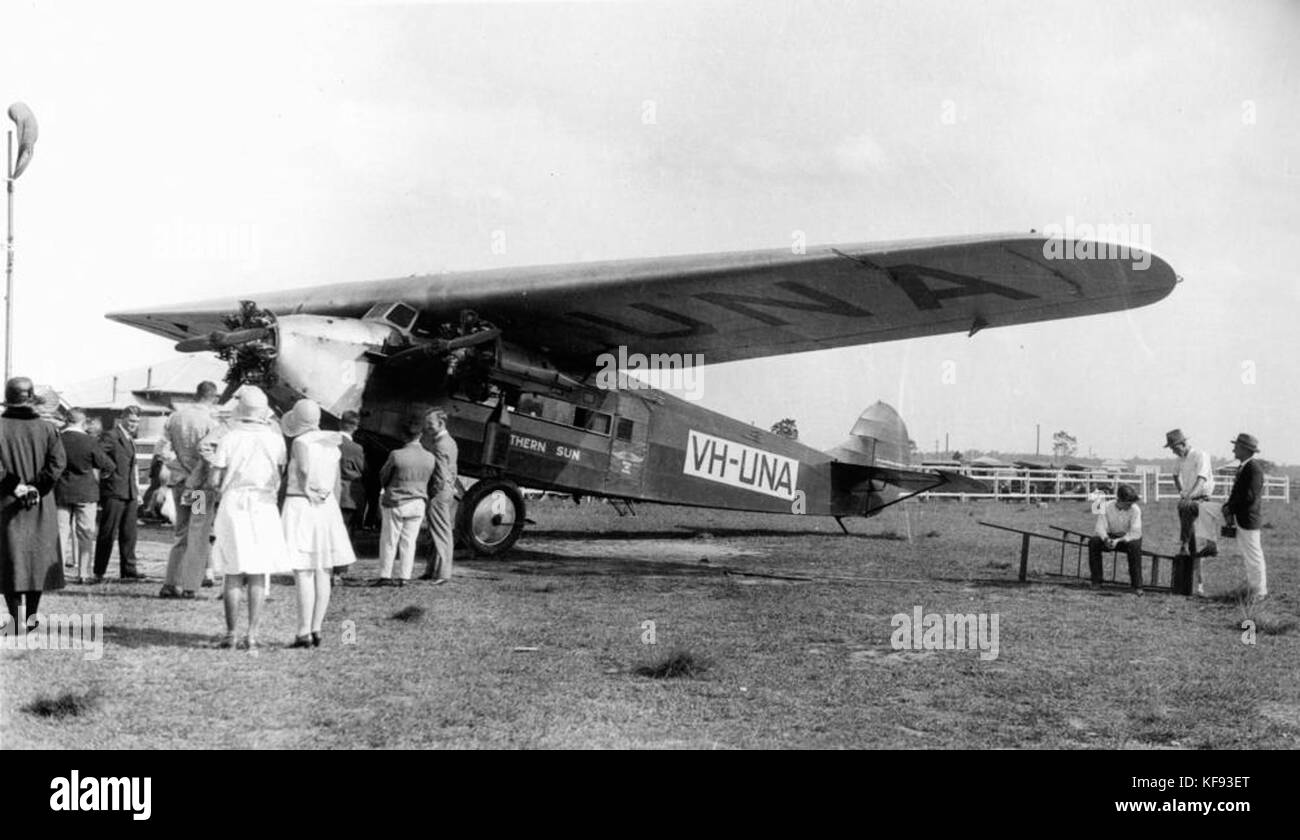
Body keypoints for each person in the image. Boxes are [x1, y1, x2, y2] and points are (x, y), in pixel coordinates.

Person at [207, 387, 292, 653]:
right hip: (265, 505)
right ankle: (252, 634)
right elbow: (281, 474)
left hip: (234, 502)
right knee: (258, 571)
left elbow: (213, 480)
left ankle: (231, 634)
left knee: (233, 571)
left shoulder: (230, 438)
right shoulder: (276, 439)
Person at [280, 399, 355, 648]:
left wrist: (308, 490)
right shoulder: (331, 443)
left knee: (303, 570)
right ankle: (316, 628)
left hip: (302, 504)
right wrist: (323, 495)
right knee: (323, 570)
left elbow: (302, 469)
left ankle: (303, 631)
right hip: (326, 506)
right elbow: (333, 480)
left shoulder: (302, 442)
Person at [0, 377, 67, 632]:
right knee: (37, 559)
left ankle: (16, 620)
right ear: (31, 400)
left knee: (10, 560)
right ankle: (31, 618)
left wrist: (14, 486)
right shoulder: (49, 429)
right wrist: (35, 488)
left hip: (6, 502)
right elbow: (57, 464)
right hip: (40, 502)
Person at [158, 382, 220, 599]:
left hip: (179, 481)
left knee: (181, 532)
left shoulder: (175, 417)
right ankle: (190, 585)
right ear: (213, 397)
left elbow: (160, 450)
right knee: (199, 531)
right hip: (200, 486)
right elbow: (211, 456)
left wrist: (177, 465)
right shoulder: (212, 421)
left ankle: (170, 581)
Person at [375, 411, 436, 587]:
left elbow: (383, 476)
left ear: (403, 435)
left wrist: (389, 488)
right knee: (409, 542)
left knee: (389, 540)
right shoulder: (430, 458)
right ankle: (404, 577)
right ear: (421, 435)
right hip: (418, 503)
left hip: (396, 501)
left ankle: (385, 575)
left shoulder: (396, 455)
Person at [55, 409, 114, 584]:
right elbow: (108, 465)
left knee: (61, 533)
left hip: (61, 491)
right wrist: (100, 476)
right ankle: (83, 573)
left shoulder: (57, 439)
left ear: (67, 420)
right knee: (85, 534)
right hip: (86, 492)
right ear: (83, 422)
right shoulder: (90, 441)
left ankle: (57, 573)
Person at [94, 405, 145, 581]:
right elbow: (97, 454)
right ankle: (99, 571)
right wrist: (109, 470)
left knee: (130, 534)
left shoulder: (129, 438)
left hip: (130, 493)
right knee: (108, 533)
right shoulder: (111, 435)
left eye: (137, 422)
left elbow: (132, 467)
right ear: (122, 418)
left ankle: (129, 570)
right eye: (131, 420)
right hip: (114, 492)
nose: (134, 424)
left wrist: (136, 493)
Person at [1163, 428, 1216, 596]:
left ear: (1183, 443)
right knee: (1193, 542)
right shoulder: (1180, 459)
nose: (1173, 451)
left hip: (1202, 499)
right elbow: (1174, 475)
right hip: (1189, 502)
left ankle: (1199, 580)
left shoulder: (1200, 455)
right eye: (1171, 448)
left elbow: (1202, 479)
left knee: (1198, 542)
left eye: (1174, 447)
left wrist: (1189, 497)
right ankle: (1192, 583)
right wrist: (1182, 493)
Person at [1222, 433, 1267, 601]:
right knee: (1250, 555)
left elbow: (1249, 497)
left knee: (1253, 556)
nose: (1233, 449)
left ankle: (1259, 591)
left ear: (1244, 449)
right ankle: (1254, 588)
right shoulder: (1246, 467)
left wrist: (1230, 508)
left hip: (1248, 518)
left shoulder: (1253, 468)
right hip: (1244, 517)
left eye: (1236, 446)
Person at [420, 409, 458, 584]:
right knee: (436, 532)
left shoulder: (441, 444)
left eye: (430, 424)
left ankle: (442, 573)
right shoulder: (450, 442)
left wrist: (433, 493)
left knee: (441, 533)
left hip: (438, 492)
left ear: (441, 423)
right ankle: (433, 570)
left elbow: (441, 474)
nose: (427, 427)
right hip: (446, 491)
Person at [1088, 483, 1144, 594]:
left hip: (1129, 538)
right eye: (1127, 503)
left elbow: (1135, 532)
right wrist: (1106, 539)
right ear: (1119, 500)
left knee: (1135, 547)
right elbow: (1100, 527)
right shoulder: (1107, 506)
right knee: (1093, 542)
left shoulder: (1135, 510)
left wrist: (1118, 540)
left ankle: (1137, 585)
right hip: (1111, 536)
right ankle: (1096, 580)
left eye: (1131, 503)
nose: (1130, 505)